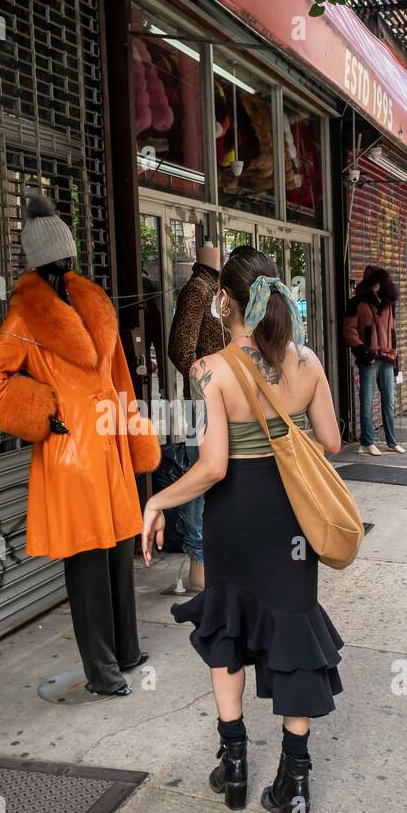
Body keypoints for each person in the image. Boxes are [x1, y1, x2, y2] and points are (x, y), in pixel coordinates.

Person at [139, 246, 345, 813]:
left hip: (234, 518)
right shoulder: (307, 361)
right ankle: (294, 779)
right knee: (293, 627)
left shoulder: (213, 369)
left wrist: (156, 499)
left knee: (226, 625)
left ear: (224, 300)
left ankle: (233, 765)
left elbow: (211, 469)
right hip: (291, 522)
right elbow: (330, 440)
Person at [0, 196, 161, 697]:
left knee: (117, 555)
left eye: (68, 256)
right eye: (60, 258)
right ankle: (102, 672)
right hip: (71, 455)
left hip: (109, 452)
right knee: (87, 564)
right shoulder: (27, 318)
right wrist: (42, 409)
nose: (66, 264)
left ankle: (126, 651)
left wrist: (133, 438)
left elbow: (121, 380)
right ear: (44, 261)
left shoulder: (94, 304)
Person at [167, 243, 224, 591]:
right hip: (204, 404)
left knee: (212, 480)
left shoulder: (215, 291)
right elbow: (180, 348)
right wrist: (206, 380)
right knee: (198, 481)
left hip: (220, 402)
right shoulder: (197, 291)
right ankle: (198, 561)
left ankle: (209, 556)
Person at [341, 264, 405, 456]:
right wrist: (363, 351)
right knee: (366, 401)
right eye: (375, 282)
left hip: (387, 358)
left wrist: (396, 361)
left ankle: (392, 441)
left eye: (380, 282)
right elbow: (348, 330)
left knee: (389, 402)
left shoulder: (389, 304)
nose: (378, 285)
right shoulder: (357, 303)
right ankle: (367, 442)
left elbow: (393, 333)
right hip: (369, 359)